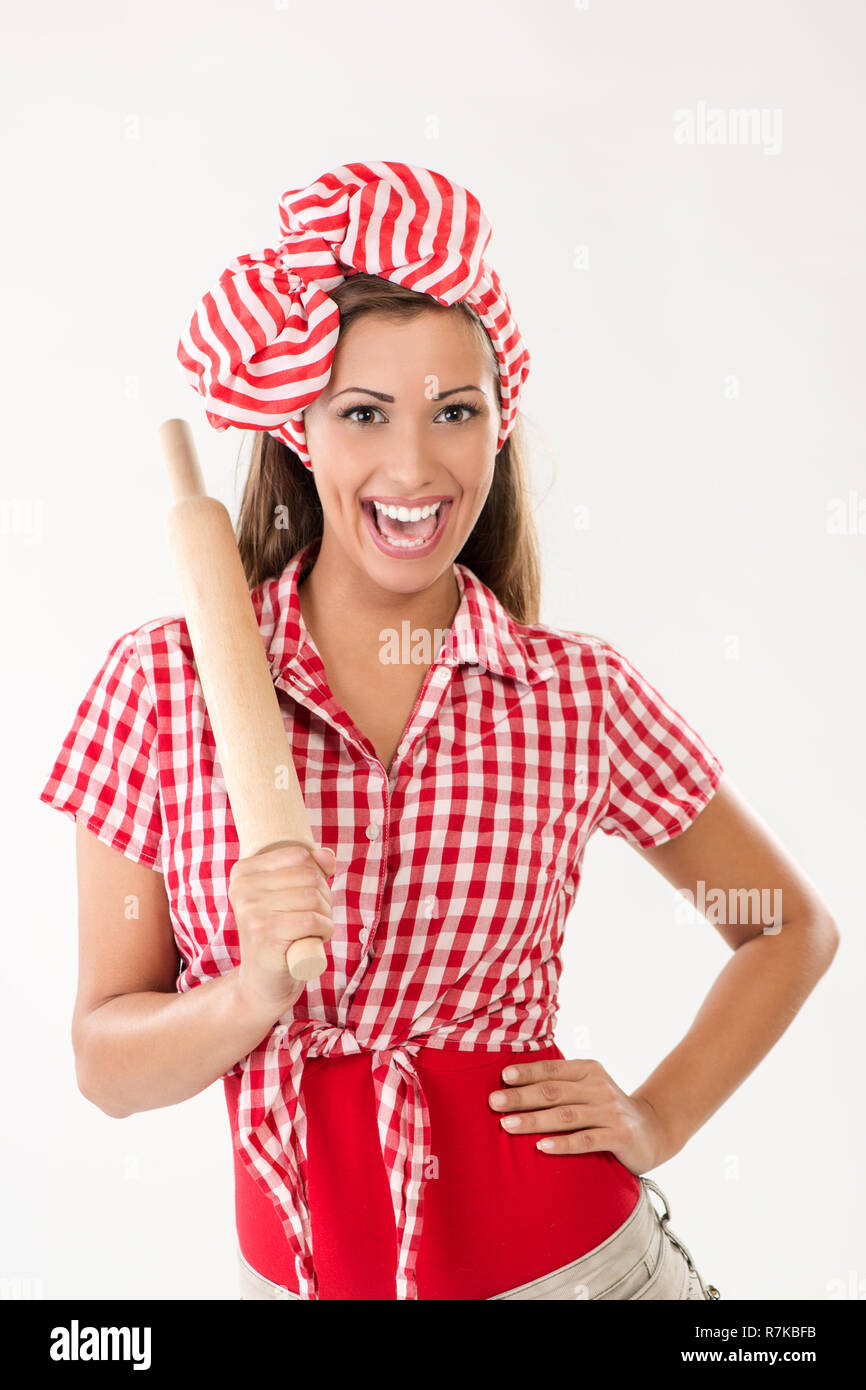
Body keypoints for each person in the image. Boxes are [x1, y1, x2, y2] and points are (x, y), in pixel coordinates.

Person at [40, 161, 839, 1301]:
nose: (413, 466)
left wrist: (655, 1115)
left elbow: (785, 929)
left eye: (453, 412)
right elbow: (105, 1068)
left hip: (586, 1280)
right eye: (364, 412)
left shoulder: (573, 694)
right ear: (299, 432)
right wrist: (251, 991)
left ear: (495, 429)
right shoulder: (166, 686)